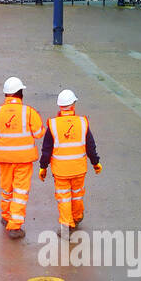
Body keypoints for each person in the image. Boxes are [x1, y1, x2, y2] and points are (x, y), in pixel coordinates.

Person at [0, 76, 44, 238]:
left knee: (7, 189)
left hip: (4, 159)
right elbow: (39, 133)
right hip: (24, 160)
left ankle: (6, 217)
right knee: (20, 192)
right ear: (21, 93)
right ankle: (14, 226)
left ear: (6, 95)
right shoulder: (29, 112)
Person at [38, 88, 101, 230]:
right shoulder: (82, 122)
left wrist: (43, 167)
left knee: (64, 198)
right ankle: (77, 216)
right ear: (73, 105)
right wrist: (95, 163)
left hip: (61, 172)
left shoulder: (53, 125)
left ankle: (67, 224)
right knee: (77, 195)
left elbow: (46, 149)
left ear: (60, 106)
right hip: (79, 169)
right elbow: (90, 146)